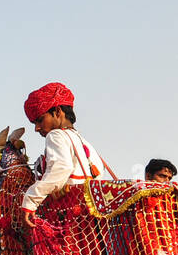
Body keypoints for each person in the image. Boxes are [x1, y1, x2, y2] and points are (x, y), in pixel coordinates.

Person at [19, 82, 115, 228]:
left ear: (58, 112)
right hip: (91, 221)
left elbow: (61, 168)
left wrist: (31, 200)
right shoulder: (83, 141)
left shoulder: (55, 135)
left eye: (40, 120)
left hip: (70, 220)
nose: (37, 128)